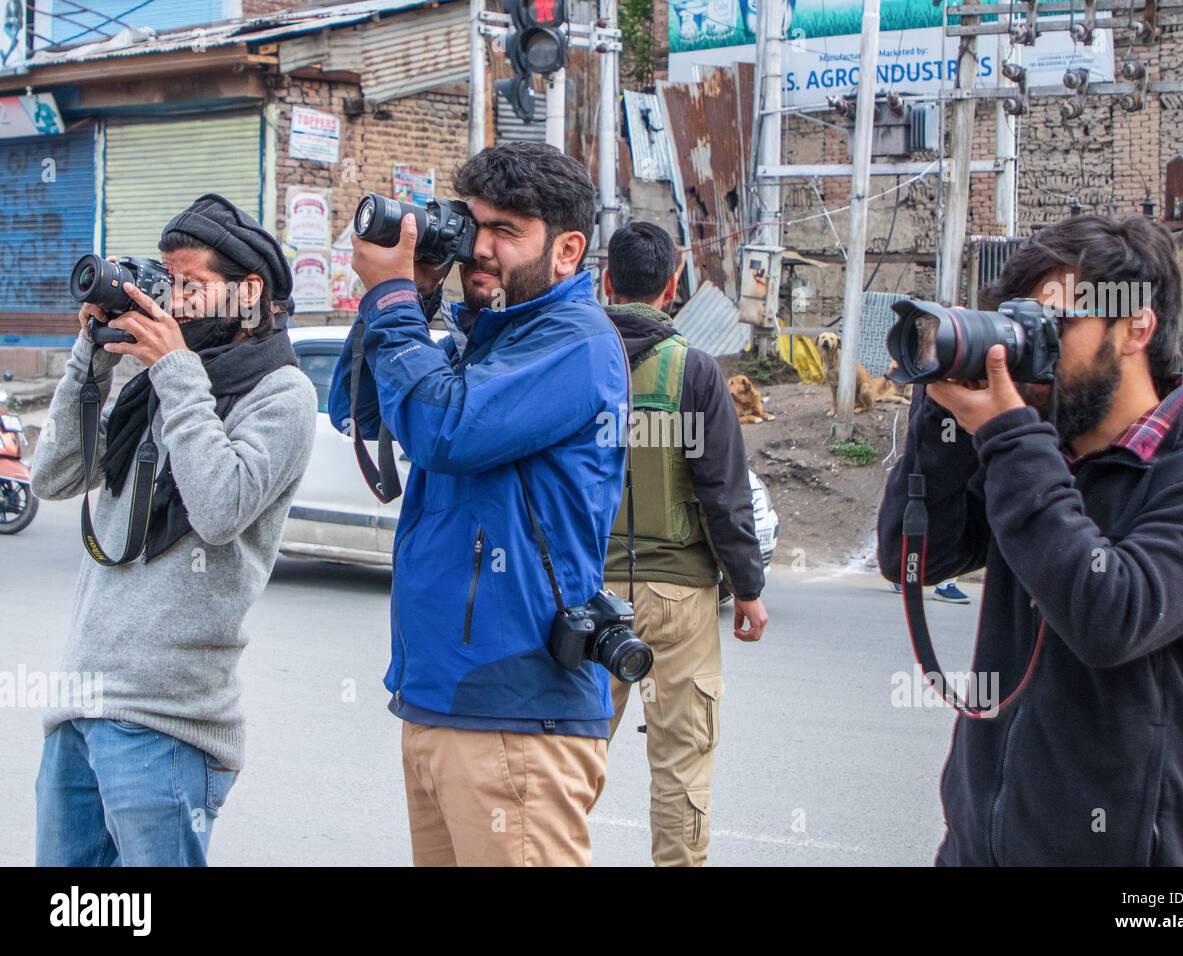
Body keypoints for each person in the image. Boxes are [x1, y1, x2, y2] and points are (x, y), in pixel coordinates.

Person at [877, 214, 1183, 866]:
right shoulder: (1040, 451)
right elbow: (915, 558)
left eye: (1057, 325)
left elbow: (1109, 616)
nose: (1034, 349)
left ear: (1136, 327)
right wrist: (943, 420)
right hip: (981, 849)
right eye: (1022, 323)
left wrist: (1011, 440)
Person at [328, 143, 628, 867]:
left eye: (508, 231)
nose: (480, 249)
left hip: (516, 717)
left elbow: (443, 430)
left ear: (568, 250)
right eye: (473, 224)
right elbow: (357, 410)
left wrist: (394, 303)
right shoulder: (483, 339)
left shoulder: (575, 343)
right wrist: (417, 296)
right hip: (442, 701)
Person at [30, 194, 317, 866]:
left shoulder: (281, 394)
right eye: (167, 280)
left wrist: (175, 370)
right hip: (82, 704)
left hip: (167, 723)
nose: (173, 301)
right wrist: (90, 357)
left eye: (191, 285)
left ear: (248, 295)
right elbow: (53, 479)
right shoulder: (160, 381)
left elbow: (218, 509)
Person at [598, 221, 769, 866]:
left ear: (607, 282)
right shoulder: (695, 372)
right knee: (680, 764)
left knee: (568, 759)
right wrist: (748, 590)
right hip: (680, 600)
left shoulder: (578, 363)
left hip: (589, 598)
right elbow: (725, 492)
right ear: (673, 286)